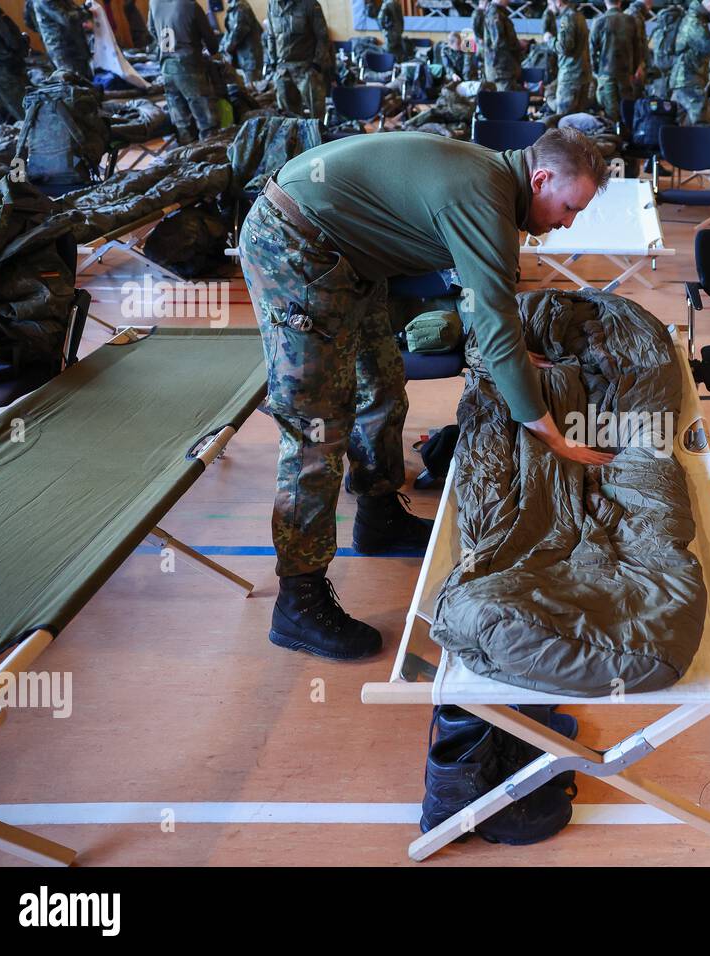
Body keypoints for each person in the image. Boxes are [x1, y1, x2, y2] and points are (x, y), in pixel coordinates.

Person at [237, 129, 613, 659]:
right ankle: (298, 600)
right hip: (295, 246)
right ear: (541, 178)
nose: (566, 223)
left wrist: (504, 343)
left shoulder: (495, 184)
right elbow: (494, 320)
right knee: (315, 428)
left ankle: (379, 515)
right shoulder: (485, 199)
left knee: (381, 384)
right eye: (568, 207)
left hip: (347, 254)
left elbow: (486, 302)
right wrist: (549, 432)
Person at [148, 0, 219, 142]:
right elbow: (210, 40)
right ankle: (212, 158)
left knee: (182, 124)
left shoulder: (154, 3)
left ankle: (188, 160)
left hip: (166, 67)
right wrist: (211, 50)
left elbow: (152, 30)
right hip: (189, 67)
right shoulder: (191, 5)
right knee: (207, 123)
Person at [267, 0, 332, 118]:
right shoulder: (272, 4)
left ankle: (318, 136)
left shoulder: (310, 4)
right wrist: (273, 62)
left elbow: (323, 37)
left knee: (316, 117)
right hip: (283, 70)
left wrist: (316, 64)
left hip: (306, 69)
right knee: (288, 119)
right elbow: (271, 36)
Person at [670, 0, 710, 124]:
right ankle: (705, 144)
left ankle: (675, 143)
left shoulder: (698, 20)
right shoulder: (694, 21)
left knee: (678, 122)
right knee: (703, 120)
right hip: (687, 79)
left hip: (685, 79)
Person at [590, 0, 641, 121]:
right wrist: (632, 71)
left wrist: (597, 72)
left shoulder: (599, 21)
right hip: (625, 75)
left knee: (610, 115)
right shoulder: (631, 20)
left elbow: (591, 51)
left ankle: (613, 138)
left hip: (606, 75)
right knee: (626, 113)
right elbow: (638, 49)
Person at [30, 0, 93, 78]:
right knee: (77, 82)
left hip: (75, 44)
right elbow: (66, 19)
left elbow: (73, 10)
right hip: (64, 50)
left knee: (88, 80)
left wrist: (84, 9)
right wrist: (85, 12)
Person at [552, 0, 590, 113]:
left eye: (550, 3)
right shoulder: (580, 16)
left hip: (570, 76)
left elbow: (565, 48)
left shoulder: (567, 17)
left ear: (558, 2)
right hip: (582, 74)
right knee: (576, 122)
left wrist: (550, 41)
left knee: (564, 122)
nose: (549, 7)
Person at [482, 0, 521, 90]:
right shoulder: (495, 14)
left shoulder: (500, 13)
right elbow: (499, 43)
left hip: (505, 68)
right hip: (501, 69)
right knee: (505, 100)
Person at [221, 0, 263, 82]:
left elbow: (238, 33)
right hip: (243, 58)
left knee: (253, 89)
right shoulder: (234, 8)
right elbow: (229, 34)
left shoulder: (242, 7)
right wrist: (220, 47)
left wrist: (224, 48)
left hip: (250, 59)